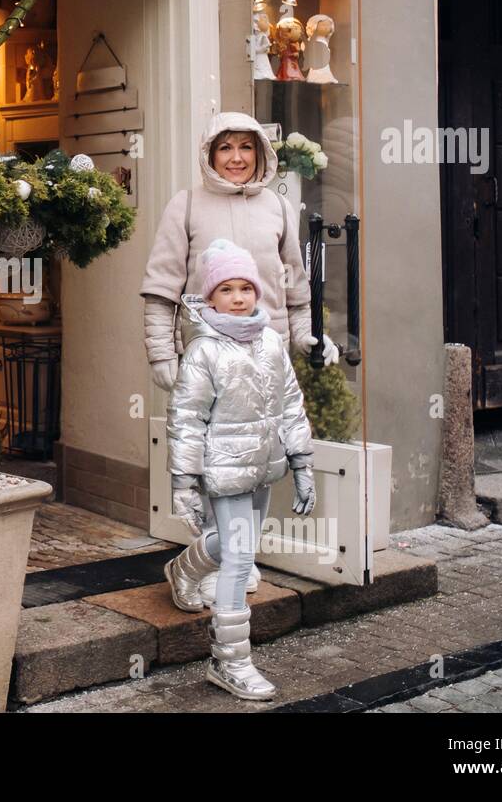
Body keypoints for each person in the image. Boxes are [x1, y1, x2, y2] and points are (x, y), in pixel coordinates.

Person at [141, 111, 336, 596]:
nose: (235, 158)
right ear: (210, 154)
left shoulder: (277, 208)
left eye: (245, 148)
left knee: (260, 461)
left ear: (260, 155)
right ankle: (210, 562)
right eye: (225, 148)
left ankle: (239, 557)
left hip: (264, 360)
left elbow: (293, 283)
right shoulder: (185, 205)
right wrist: (163, 353)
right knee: (214, 467)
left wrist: (305, 335)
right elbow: (160, 287)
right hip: (208, 358)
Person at [163, 240, 316, 701]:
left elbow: (291, 404)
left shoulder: (270, 340)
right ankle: (230, 663)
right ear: (210, 298)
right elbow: (186, 419)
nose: (237, 297)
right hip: (224, 471)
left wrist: (302, 463)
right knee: (240, 557)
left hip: (262, 468)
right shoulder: (204, 351)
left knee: (238, 543)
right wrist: (184, 482)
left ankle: (182, 570)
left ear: (256, 291)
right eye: (226, 289)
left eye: (245, 287)